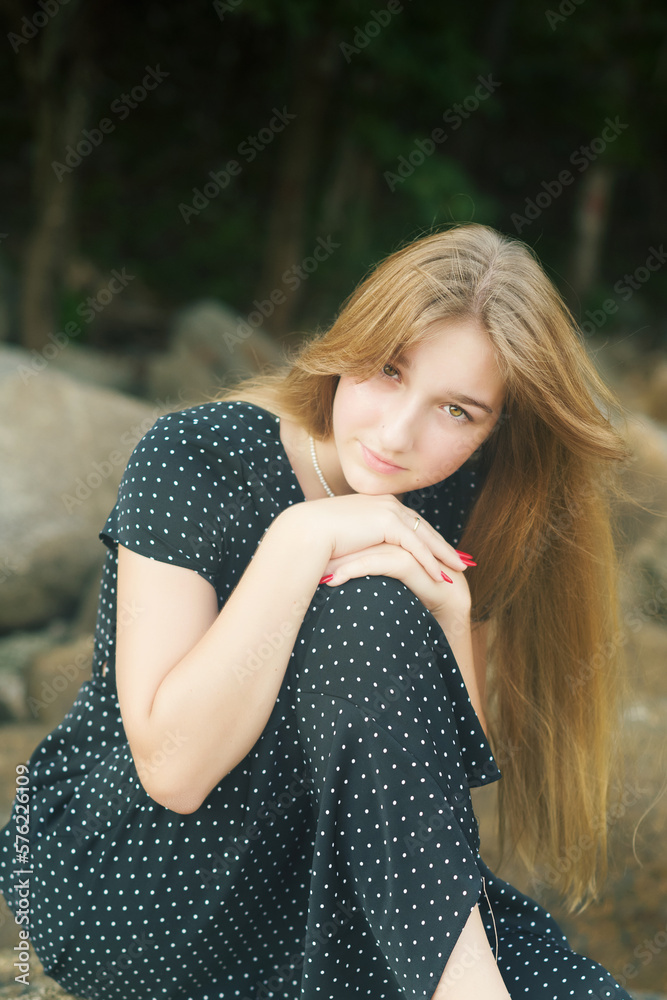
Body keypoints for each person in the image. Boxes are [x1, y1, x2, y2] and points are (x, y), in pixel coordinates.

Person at [0, 223, 633, 999]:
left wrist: (448, 614)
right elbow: (171, 771)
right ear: (350, 342)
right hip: (128, 871)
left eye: (457, 411)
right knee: (367, 604)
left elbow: (434, 778)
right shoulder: (196, 456)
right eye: (388, 371)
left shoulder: (462, 494)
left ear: (497, 427)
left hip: (328, 874)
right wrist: (303, 539)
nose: (397, 435)